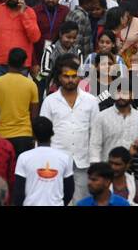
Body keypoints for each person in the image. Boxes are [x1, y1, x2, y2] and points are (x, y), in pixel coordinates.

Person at [39, 57, 96, 201]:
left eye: (74, 76)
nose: (70, 80)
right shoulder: (49, 101)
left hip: (82, 162)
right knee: (55, 200)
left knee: (81, 201)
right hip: (55, 162)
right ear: (59, 77)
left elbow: (96, 132)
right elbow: (42, 133)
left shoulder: (91, 101)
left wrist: (96, 160)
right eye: (66, 76)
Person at [11, 116, 75, 206]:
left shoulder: (23, 158)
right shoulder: (65, 158)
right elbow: (69, 189)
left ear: (33, 135)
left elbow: (19, 192)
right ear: (52, 133)